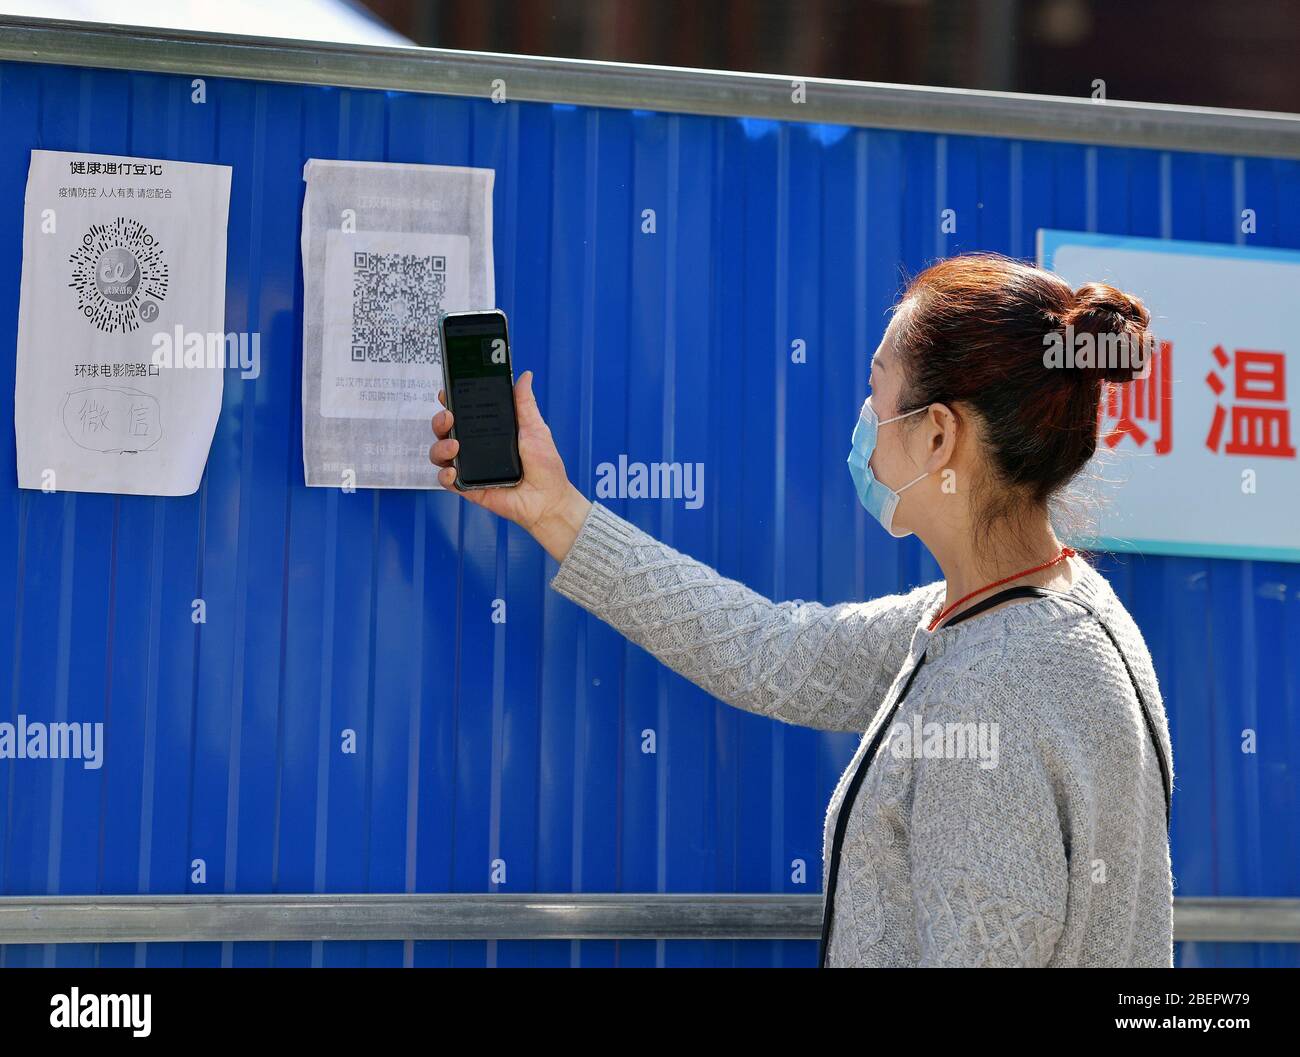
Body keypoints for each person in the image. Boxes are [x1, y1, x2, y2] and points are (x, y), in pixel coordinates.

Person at [428, 252, 1175, 968]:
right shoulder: (1043, 612)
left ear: (940, 433)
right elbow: (774, 652)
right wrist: (555, 510)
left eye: (876, 390)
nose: (863, 417)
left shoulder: (990, 686)